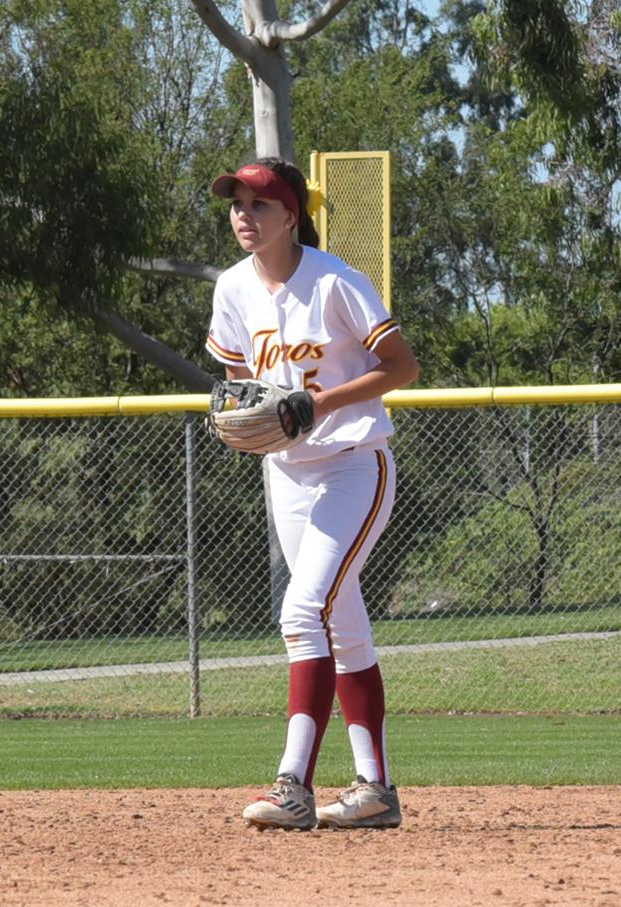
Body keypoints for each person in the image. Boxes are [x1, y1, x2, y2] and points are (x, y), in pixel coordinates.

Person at [204, 158, 420, 830]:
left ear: (292, 214)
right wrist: (246, 414)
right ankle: (375, 789)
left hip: (354, 464)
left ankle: (292, 784)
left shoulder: (335, 281)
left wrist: (318, 402)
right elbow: (241, 377)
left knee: (302, 611)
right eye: (237, 204)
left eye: (259, 205)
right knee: (342, 623)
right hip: (285, 471)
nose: (244, 215)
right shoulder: (233, 288)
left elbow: (403, 366)